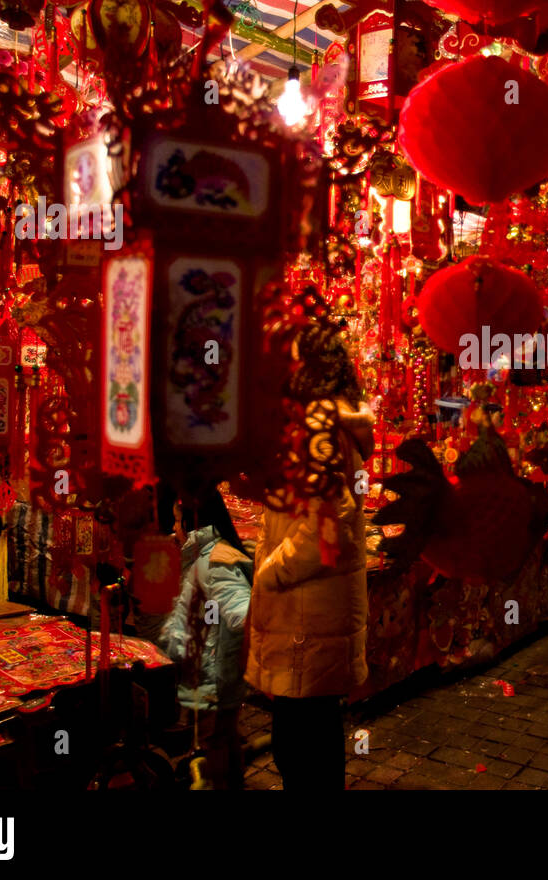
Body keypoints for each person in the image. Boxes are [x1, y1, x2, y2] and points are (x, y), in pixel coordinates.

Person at [247, 321, 374, 791]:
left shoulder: (320, 427)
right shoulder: (320, 423)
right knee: (306, 738)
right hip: (310, 609)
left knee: (302, 744)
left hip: (307, 610)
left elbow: (330, 519)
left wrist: (273, 571)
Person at [160, 485, 254, 790]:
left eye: (177, 521)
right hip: (211, 673)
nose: (173, 528)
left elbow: (243, 616)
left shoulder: (215, 562)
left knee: (216, 741)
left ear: (193, 522)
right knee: (222, 739)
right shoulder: (204, 555)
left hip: (215, 677)